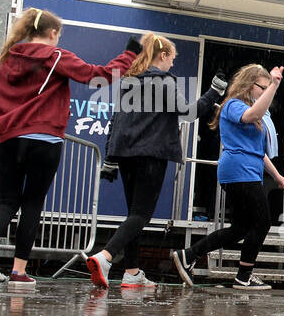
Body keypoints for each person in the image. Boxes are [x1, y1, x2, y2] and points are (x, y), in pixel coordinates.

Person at [0, 8, 138, 286]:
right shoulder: (56, 56)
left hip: (7, 140)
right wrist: (130, 53)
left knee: (7, 201)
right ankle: (19, 271)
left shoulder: (3, 62)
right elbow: (99, 75)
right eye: (58, 34)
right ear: (52, 33)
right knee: (33, 202)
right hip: (44, 139)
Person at [84, 34, 224, 289]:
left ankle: (132, 272)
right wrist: (213, 93)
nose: (172, 64)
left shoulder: (129, 81)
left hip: (126, 155)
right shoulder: (164, 81)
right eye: (172, 58)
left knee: (133, 215)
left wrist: (110, 159)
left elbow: (117, 121)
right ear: (162, 55)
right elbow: (187, 111)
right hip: (152, 154)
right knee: (141, 215)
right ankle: (105, 257)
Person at [172, 64, 284, 290]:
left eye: (267, 87)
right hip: (238, 170)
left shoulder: (255, 114)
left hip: (247, 170)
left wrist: (276, 176)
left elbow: (259, 151)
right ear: (249, 85)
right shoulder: (233, 105)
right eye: (262, 88)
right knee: (262, 222)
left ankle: (189, 255)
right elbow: (251, 115)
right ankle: (243, 275)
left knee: (241, 228)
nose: (265, 92)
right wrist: (274, 86)